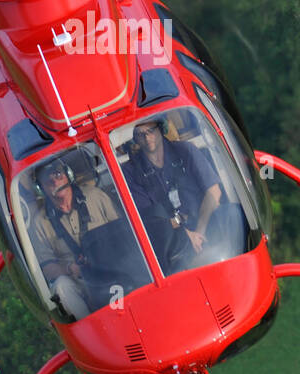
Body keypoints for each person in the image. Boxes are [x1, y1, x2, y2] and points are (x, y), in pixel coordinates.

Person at [122, 118, 228, 271]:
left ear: (161, 128)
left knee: (230, 214)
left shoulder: (186, 150)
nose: (146, 137)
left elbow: (213, 192)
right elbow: (148, 217)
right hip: (170, 240)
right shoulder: (131, 171)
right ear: (134, 139)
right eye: (140, 134)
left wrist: (199, 231)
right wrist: (186, 234)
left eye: (150, 131)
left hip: (204, 223)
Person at [28, 158, 121, 318]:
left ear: (68, 175)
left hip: (113, 268)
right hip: (80, 280)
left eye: (57, 174)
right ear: (40, 189)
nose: (55, 182)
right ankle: (91, 329)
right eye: (47, 180)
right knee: (61, 286)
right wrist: (71, 269)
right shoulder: (39, 222)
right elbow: (47, 268)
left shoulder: (96, 196)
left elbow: (124, 233)